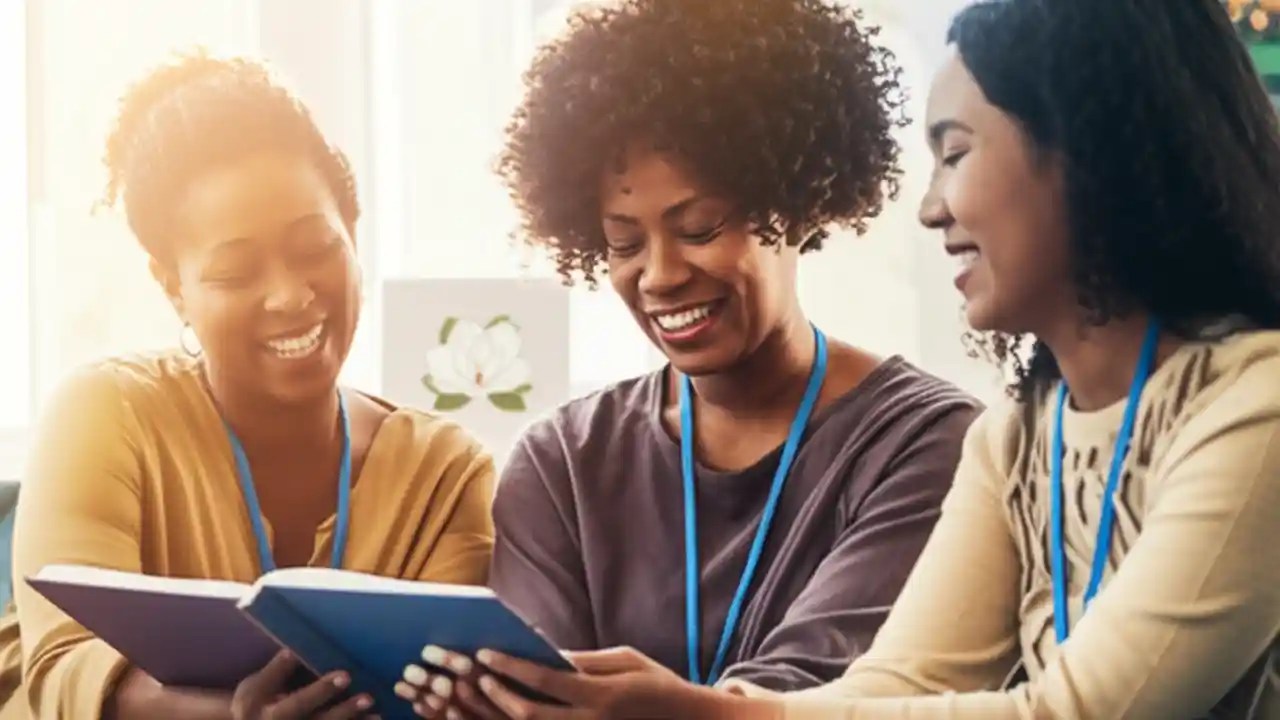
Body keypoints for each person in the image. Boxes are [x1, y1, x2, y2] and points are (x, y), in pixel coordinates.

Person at [403, 0, 1280, 717]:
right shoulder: (1016, 437)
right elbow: (901, 684)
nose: (931, 208)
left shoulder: (1258, 406)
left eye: (956, 154)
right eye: (625, 241)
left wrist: (702, 716)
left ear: (1087, 157)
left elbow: (1074, 712)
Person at [397, 0, 983, 716]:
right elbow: (531, 695)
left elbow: (834, 696)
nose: (660, 275)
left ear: (797, 205)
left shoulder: (926, 444)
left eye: (700, 228)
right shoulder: (563, 464)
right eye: (624, 243)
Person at [0, 51, 497, 719]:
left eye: (316, 248)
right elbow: (64, 667)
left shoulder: (446, 476)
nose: (290, 295)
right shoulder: (107, 413)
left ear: (353, 233)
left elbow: (439, 699)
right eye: (236, 273)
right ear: (173, 286)